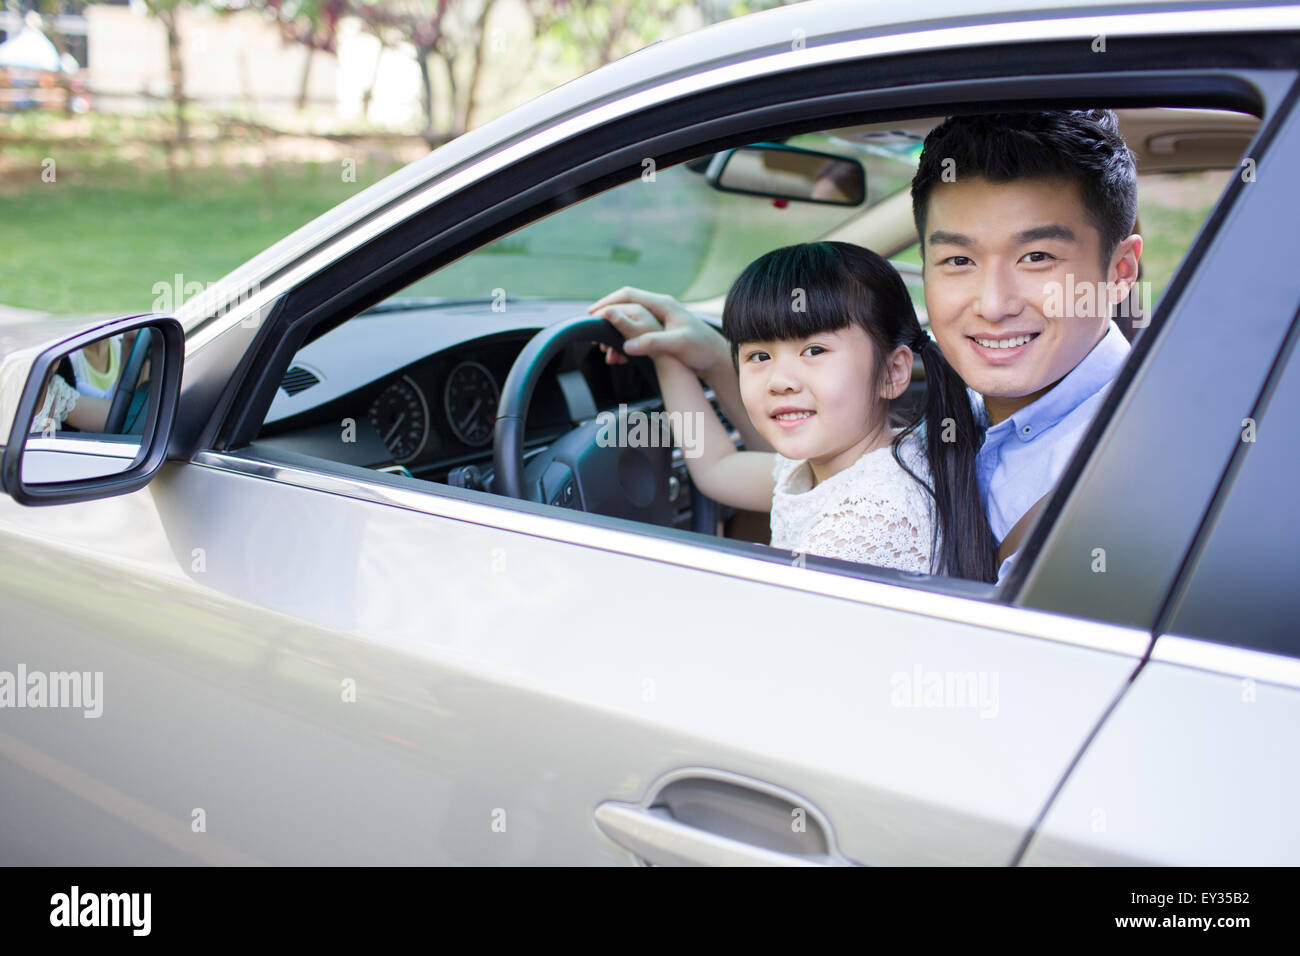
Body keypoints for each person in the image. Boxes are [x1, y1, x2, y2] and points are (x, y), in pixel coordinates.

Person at [590, 109, 1142, 582]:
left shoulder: (1124, 483)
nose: (993, 304)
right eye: (958, 261)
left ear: (1119, 274)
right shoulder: (972, 412)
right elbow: (780, 457)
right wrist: (706, 355)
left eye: (1037, 257)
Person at [599, 241, 998, 580]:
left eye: (814, 351)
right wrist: (665, 353)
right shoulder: (864, 458)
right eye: (758, 355)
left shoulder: (865, 524)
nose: (779, 381)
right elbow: (718, 471)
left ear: (892, 372)